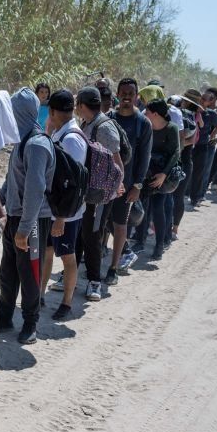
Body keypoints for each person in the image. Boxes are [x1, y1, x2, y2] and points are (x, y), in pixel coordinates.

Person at [0, 87, 54, 345]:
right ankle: (4, 317)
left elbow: (35, 190)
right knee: (7, 272)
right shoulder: (22, 141)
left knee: (30, 275)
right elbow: (12, 181)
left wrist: (24, 228)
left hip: (30, 222)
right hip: (14, 219)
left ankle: (31, 323)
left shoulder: (37, 145)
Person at [39, 90, 87, 321]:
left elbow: (72, 183)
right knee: (48, 251)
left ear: (53, 111)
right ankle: (40, 295)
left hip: (66, 213)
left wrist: (61, 217)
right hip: (55, 208)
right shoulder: (61, 133)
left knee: (67, 257)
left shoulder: (72, 139)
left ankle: (66, 303)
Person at [75, 86, 123, 302]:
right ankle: (72, 275)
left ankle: (95, 282)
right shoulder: (86, 123)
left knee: (93, 236)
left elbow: (118, 163)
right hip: (87, 193)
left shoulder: (104, 128)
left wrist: (111, 192)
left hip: (100, 195)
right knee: (80, 233)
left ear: (83, 106)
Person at [107, 78, 152, 283]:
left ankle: (113, 269)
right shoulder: (109, 118)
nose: (126, 96)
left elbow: (145, 156)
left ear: (136, 96)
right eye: (123, 92)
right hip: (104, 183)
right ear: (117, 93)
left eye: (130, 93)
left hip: (127, 185)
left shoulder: (143, 123)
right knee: (98, 226)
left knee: (120, 225)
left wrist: (138, 185)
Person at [137, 99, 181, 261]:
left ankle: (159, 245)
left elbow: (176, 153)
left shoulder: (171, 129)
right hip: (146, 173)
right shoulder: (146, 126)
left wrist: (163, 175)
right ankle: (139, 241)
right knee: (142, 207)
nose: (145, 113)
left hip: (163, 176)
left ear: (155, 113)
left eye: (147, 111)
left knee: (157, 208)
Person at [169, 93, 202, 241]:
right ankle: (170, 227)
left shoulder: (190, 117)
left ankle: (174, 228)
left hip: (182, 162)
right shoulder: (186, 116)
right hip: (181, 162)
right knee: (174, 196)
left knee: (177, 196)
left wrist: (176, 144)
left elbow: (192, 140)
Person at [189, 87, 217, 206]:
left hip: (202, 146)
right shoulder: (192, 110)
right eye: (201, 98)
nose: (202, 101)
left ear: (209, 102)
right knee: (189, 170)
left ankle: (197, 197)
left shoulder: (211, 113)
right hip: (189, 145)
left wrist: (213, 136)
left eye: (205, 100)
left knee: (200, 172)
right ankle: (187, 192)